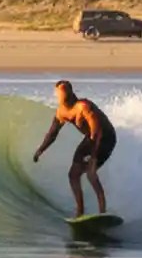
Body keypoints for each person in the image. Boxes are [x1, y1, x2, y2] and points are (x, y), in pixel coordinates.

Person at [32, 80, 117, 218]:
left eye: (63, 91)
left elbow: (97, 131)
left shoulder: (83, 106)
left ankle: (103, 212)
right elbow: (52, 133)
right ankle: (80, 212)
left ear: (70, 92)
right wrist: (40, 150)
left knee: (90, 173)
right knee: (73, 174)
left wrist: (94, 157)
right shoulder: (62, 112)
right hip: (90, 138)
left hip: (106, 138)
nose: (60, 95)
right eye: (59, 92)